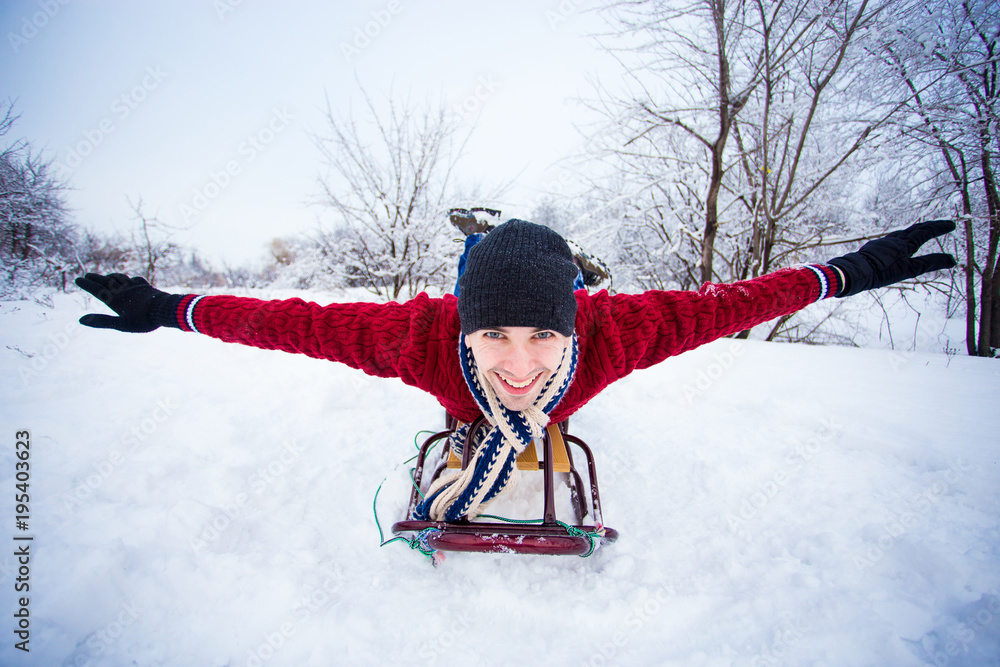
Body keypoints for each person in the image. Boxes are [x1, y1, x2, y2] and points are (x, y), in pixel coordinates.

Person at [75, 218, 957, 521]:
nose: (521, 364)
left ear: (575, 323)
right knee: (486, 290)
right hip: (473, 294)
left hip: (571, 293)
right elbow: (296, 323)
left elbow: (743, 299)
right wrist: (168, 309)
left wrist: (860, 268)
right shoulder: (419, 338)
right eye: (493, 336)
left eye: (543, 336)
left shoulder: (618, 334)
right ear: (464, 325)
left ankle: (521, 250)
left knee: (539, 352)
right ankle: (480, 241)